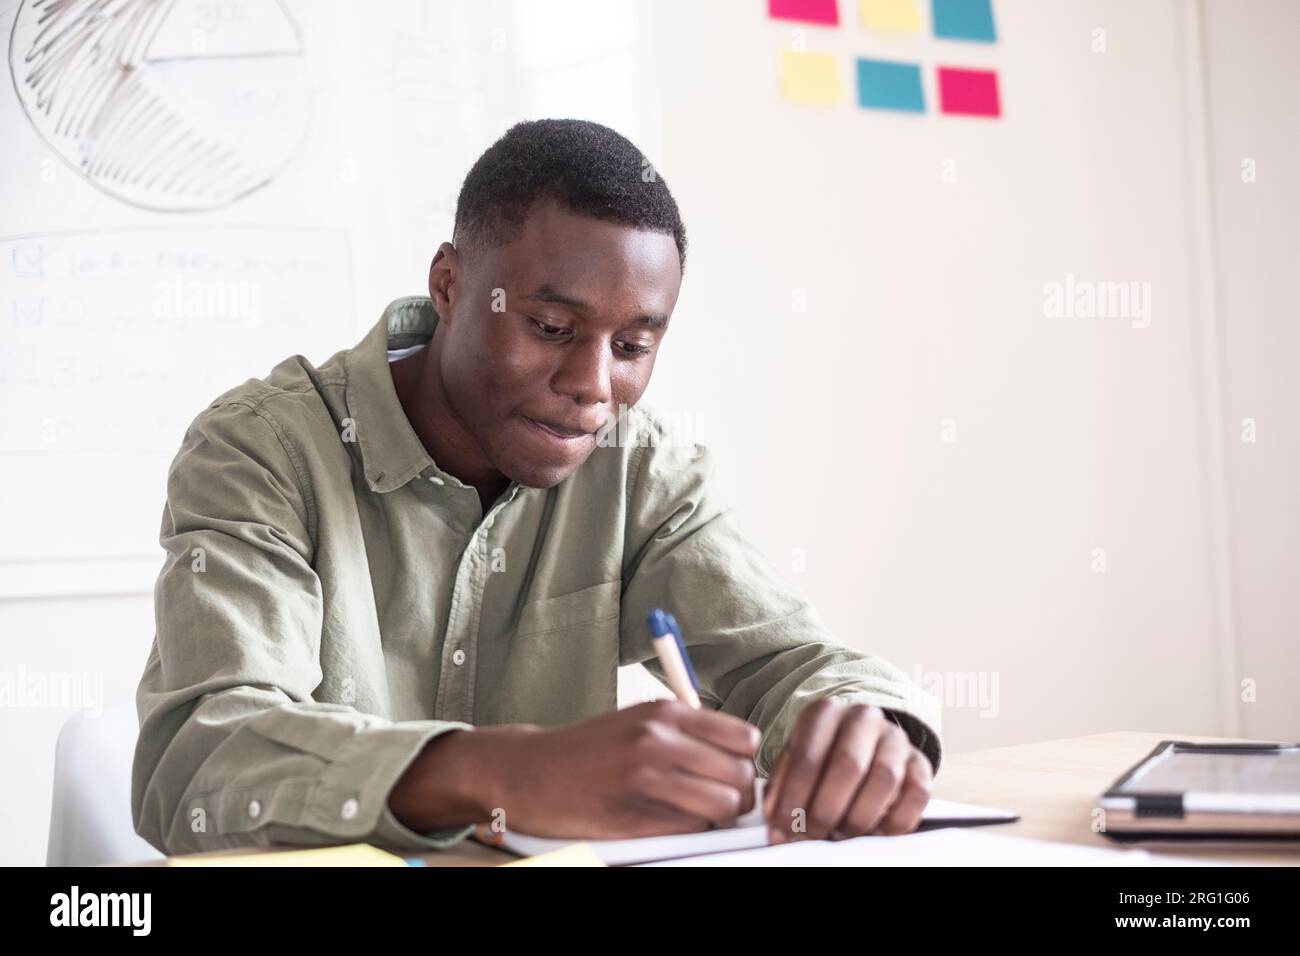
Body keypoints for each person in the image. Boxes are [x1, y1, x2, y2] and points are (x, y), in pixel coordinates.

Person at [133, 119, 941, 856]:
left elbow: (786, 663)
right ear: (448, 284)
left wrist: (866, 725)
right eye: (552, 328)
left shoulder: (639, 465)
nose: (593, 387)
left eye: (631, 345)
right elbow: (201, 763)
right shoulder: (262, 449)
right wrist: (503, 772)